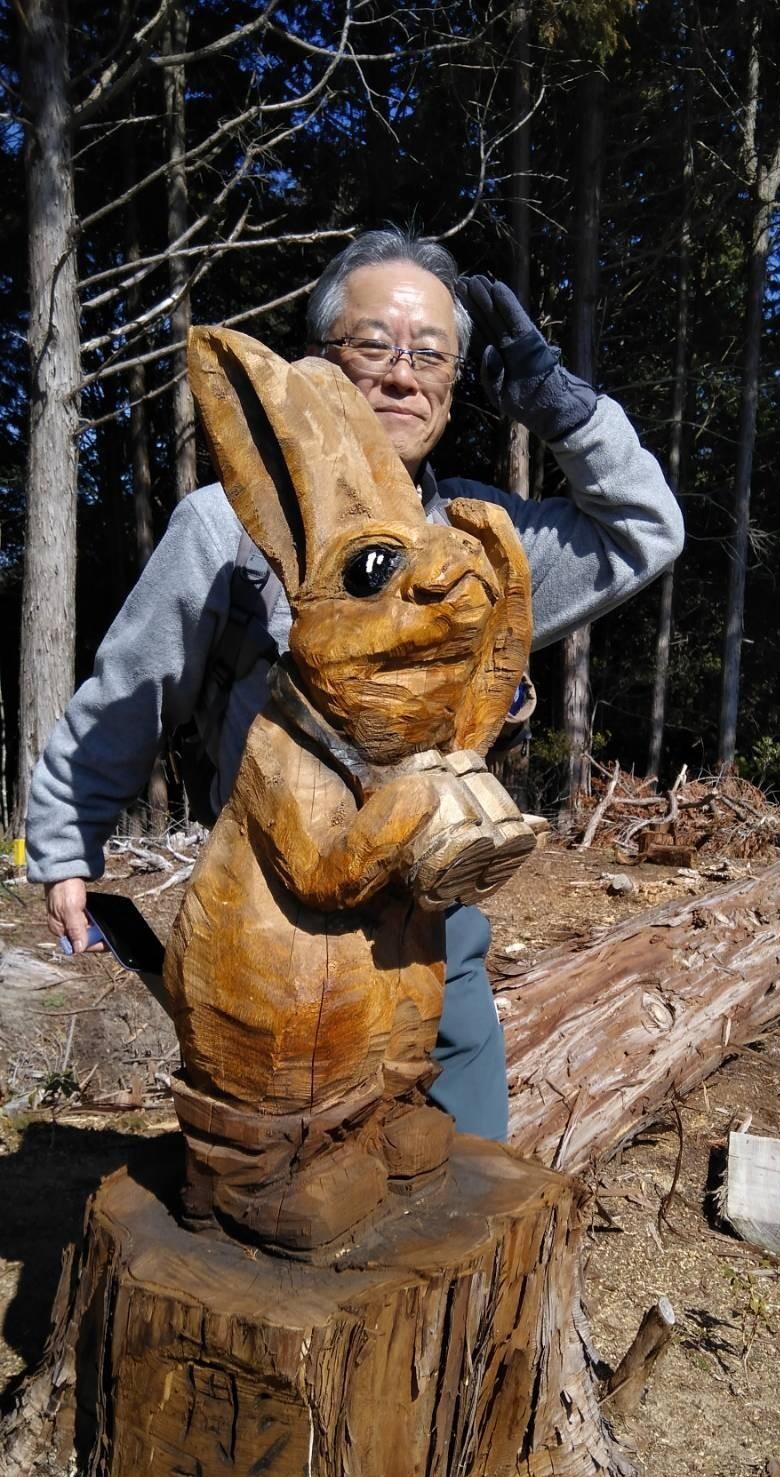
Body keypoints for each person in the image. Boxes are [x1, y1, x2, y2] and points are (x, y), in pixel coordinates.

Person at [27, 227, 684, 1142]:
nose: (401, 375)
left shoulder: (475, 538)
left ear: (459, 386)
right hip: (275, 938)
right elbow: (134, 688)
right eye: (373, 345)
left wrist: (564, 409)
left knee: (462, 1173)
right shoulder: (229, 527)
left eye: (430, 355)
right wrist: (65, 843)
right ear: (322, 361)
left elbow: (644, 533)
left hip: (432, 928)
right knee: (272, 1189)